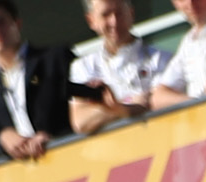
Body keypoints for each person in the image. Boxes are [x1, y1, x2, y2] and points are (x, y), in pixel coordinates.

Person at [0, 0, 71, 159]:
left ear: (17, 23)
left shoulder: (55, 59)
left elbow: (81, 108)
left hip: (70, 155)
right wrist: (3, 139)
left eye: (1, 22)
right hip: (25, 174)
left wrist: (52, 137)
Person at [64, 0, 163, 130]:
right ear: (91, 20)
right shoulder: (83, 67)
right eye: (106, 15)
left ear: (131, 13)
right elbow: (81, 121)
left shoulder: (159, 59)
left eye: (119, 13)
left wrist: (106, 109)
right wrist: (126, 107)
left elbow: (160, 102)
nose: (114, 22)